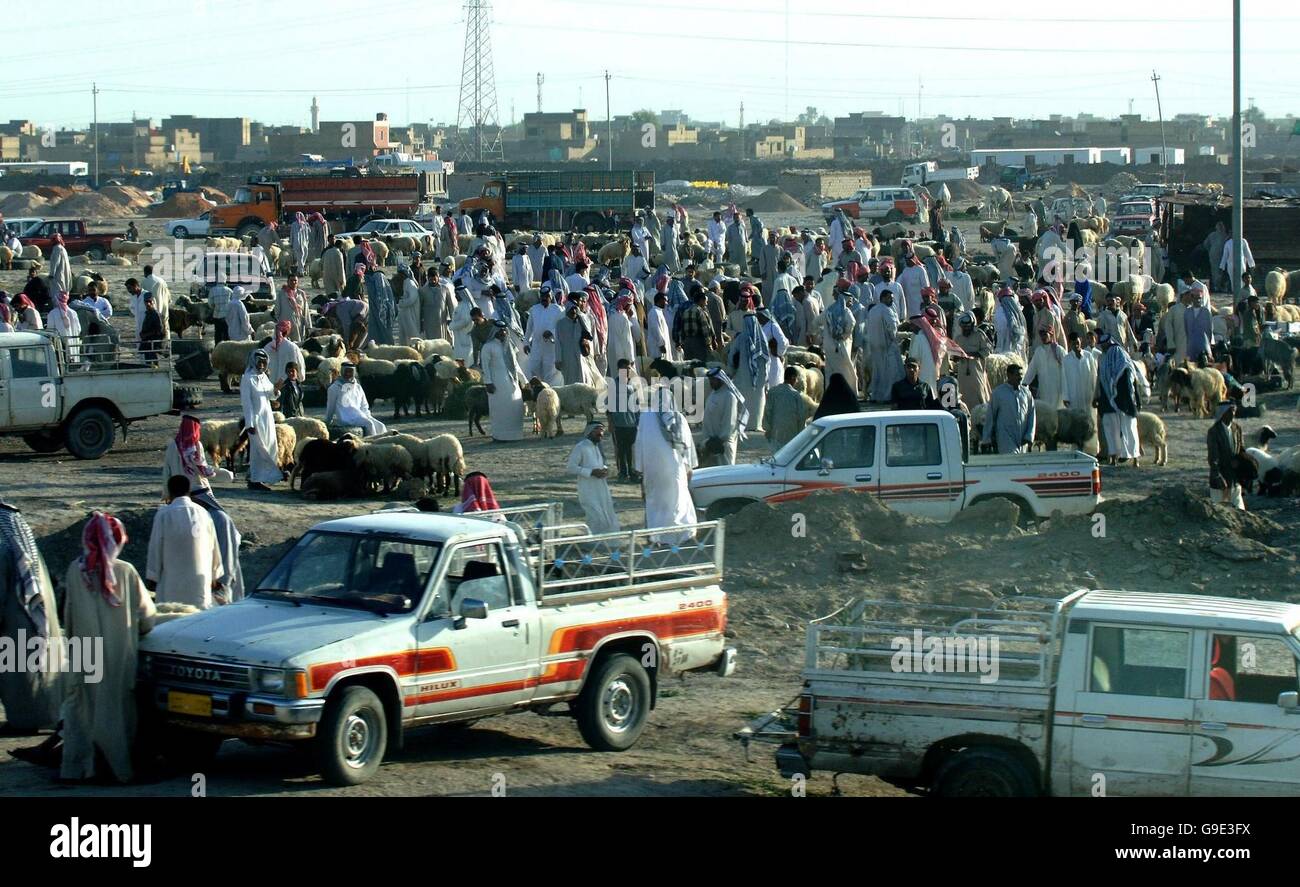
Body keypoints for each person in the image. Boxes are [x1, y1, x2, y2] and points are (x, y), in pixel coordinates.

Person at [56, 512, 155, 784]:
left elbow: (69, 615)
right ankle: (119, 768)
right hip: (117, 654)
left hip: (86, 652)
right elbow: (147, 615)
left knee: (84, 708)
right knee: (118, 709)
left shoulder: (76, 571)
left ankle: (78, 768)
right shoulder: (125, 571)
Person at [161, 415, 243, 602]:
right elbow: (203, 469)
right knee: (224, 521)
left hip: (177, 494)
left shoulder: (173, 446)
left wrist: (167, 495)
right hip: (200, 493)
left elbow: (166, 472)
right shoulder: (194, 445)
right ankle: (224, 582)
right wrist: (225, 474)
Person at [0, 498, 62, 734]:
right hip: (34, 611)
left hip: (17, 619)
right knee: (39, 670)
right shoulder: (18, 538)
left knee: (20, 676)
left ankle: (25, 724)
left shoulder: (4, 546)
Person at [147, 475, 224, 609]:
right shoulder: (203, 513)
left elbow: (155, 547)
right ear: (189, 491)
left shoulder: (164, 514)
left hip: (172, 585)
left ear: (169, 492)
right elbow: (213, 546)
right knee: (198, 619)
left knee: (172, 618)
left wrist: (152, 577)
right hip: (200, 582)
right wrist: (215, 575)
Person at [635, 385, 698, 544]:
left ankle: (657, 537)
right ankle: (680, 536)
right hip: (676, 470)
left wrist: (639, 468)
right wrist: (689, 467)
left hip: (653, 470)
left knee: (655, 502)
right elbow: (687, 446)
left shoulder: (646, 416)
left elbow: (639, 443)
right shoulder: (679, 418)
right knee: (678, 501)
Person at [1095, 335, 1142, 467]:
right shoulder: (1103, 358)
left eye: (1105, 345)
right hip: (1107, 398)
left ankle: (1134, 457)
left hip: (1124, 398)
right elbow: (1101, 379)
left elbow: (1130, 380)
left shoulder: (1120, 355)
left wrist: (1131, 398)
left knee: (1129, 427)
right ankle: (1114, 457)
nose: (1103, 347)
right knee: (1111, 429)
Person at [567, 421, 621, 534]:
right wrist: (590, 472)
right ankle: (593, 541)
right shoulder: (580, 447)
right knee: (594, 514)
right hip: (587, 487)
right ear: (590, 432)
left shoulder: (597, 447)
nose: (601, 435)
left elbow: (601, 463)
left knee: (607, 512)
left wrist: (604, 469)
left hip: (601, 486)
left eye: (602, 433)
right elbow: (571, 467)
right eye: (598, 432)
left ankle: (606, 540)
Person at [240, 349, 282, 489]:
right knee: (259, 450)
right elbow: (247, 403)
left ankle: (265, 476)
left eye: (264, 363)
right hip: (256, 420)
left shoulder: (263, 377)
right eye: (260, 362)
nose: (262, 365)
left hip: (267, 418)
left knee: (270, 446)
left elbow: (271, 395)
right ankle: (255, 479)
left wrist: (276, 390)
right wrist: (250, 423)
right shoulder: (247, 378)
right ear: (254, 361)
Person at [480, 320, 526, 442]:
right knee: (500, 409)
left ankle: (516, 434)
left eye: (504, 330)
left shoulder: (509, 346)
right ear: (494, 331)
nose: (503, 332)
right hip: (497, 383)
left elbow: (515, 365)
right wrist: (488, 382)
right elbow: (485, 366)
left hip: (512, 384)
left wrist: (524, 381)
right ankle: (499, 435)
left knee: (515, 407)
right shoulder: (488, 347)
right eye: (500, 330)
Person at [727, 313, 769, 432]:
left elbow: (731, 356)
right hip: (759, 378)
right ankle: (756, 424)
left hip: (743, 376)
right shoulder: (762, 339)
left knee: (744, 399)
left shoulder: (740, 338)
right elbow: (767, 360)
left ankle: (744, 423)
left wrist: (731, 372)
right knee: (757, 399)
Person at [983, 362, 1035, 454]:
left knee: (1021, 463)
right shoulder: (998, 393)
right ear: (1009, 375)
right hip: (1005, 436)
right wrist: (987, 438)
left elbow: (1032, 415)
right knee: (1010, 461)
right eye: (1017, 375)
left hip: (1022, 438)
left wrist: (1029, 436)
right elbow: (990, 416)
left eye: (1021, 375)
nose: (1020, 377)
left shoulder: (1027, 393)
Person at [325, 361, 387, 436]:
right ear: (342, 371)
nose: (348, 374)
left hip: (360, 415)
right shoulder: (334, 388)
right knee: (369, 424)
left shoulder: (358, 387)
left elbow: (364, 405)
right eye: (346, 371)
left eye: (350, 371)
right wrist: (327, 422)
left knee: (381, 426)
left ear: (354, 372)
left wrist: (368, 416)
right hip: (346, 418)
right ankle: (370, 444)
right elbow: (330, 407)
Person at [865, 289, 905, 403]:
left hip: (875, 347)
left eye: (892, 299)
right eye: (889, 298)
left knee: (878, 372)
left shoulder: (872, 311)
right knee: (892, 373)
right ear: (883, 298)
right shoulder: (887, 310)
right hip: (887, 346)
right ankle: (889, 396)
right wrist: (897, 338)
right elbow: (892, 329)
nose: (892, 300)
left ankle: (876, 396)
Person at [764, 366, 817, 451]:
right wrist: (801, 435)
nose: (796, 382)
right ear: (793, 378)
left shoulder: (772, 392)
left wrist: (767, 429)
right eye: (796, 379)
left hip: (775, 434)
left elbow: (767, 411)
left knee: (776, 458)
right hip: (791, 436)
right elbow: (801, 417)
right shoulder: (795, 395)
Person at [700, 368, 745, 466]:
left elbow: (729, 423)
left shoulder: (729, 397)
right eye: (710, 380)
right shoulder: (712, 395)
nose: (711, 382)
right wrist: (707, 441)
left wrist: (719, 440)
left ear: (720, 379)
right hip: (710, 444)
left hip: (722, 446)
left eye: (713, 380)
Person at [607, 359, 642, 482]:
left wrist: (639, 422)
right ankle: (622, 472)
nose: (627, 371)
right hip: (619, 424)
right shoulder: (613, 385)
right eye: (624, 368)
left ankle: (632, 473)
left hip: (632, 424)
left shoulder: (632, 385)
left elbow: (637, 406)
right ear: (619, 370)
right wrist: (610, 423)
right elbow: (609, 407)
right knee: (621, 450)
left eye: (628, 368)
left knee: (631, 450)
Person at [1208, 401, 1246, 510]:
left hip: (1235, 479)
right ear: (1223, 413)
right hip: (1220, 482)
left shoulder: (1237, 429)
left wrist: (1239, 462)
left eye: (1234, 411)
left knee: (1240, 512)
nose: (1233, 414)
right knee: (1220, 513)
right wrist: (1218, 477)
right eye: (1231, 411)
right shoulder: (1214, 432)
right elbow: (1213, 458)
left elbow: (1242, 450)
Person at [951, 311, 992, 408]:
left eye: (968, 327)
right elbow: (954, 356)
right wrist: (958, 356)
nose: (965, 329)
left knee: (979, 393)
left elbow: (987, 351)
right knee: (962, 394)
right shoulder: (958, 338)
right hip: (962, 372)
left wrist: (972, 354)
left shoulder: (979, 335)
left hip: (976, 371)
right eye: (963, 327)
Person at [1024, 326, 1067, 410]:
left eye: (1045, 335)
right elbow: (1032, 369)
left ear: (1051, 335)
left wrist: (1066, 393)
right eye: (1041, 335)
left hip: (1057, 389)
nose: (1043, 337)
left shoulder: (1059, 350)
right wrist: (1024, 383)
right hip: (1044, 389)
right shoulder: (1039, 351)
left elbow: (1067, 370)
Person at [678, 290, 716, 362]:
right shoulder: (700, 311)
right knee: (700, 364)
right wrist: (709, 344)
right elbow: (705, 329)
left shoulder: (686, 311)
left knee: (689, 365)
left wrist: (682, 342)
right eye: (705, 301)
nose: (706, 304)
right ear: (701, 300)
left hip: (687, 342)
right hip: (698, 342)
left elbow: (682, 328)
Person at [266, 319, 305, 385]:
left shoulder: (268, 347)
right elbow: (298, 365)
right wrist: (301, 377)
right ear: (288, 331)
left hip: (269, 385)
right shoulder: (292, 347)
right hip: (287, 386)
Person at [47, 292, 82, 364]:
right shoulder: (73, 313)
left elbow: (50, 330)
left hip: (60, 345)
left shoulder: (52, 313)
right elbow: (79, 329)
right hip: (73, 343)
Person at [994, 286, 1027, 359]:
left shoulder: (999, 312)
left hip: (1003, 349)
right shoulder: (1019, 314)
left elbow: (998, 330)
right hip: (1016, 349)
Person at [275, 273, 310, 342]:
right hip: (284, 325)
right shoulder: (281, 293)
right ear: (288, 281)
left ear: (298, 282)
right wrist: (279, 321)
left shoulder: (301, 293)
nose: (293, 282)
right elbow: (277, 309)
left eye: (295, 280)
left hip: (298, 324)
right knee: (284, 343)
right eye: (291, 280)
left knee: (298, 344)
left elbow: (306, 310)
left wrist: (308, 326)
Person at [208, 273, 233, 345]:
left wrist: (215, 308)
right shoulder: (229, 290)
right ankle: (227, 348)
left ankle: (217, 349)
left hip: (217, 316)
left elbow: (210, 304)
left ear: (216, 280)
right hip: (227, 316)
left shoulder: (213, 290)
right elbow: (232, 303)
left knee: (218, 333)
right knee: (226, 333)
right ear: (225, 280)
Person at [139, 292, 164, 362]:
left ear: (153, 302)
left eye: (150, 302)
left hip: (153, 344)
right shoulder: (148, 313)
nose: (148, 304)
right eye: (146, 302)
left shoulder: (155, 314)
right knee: (149, 363)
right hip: (147, 344)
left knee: (153, 364)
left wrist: (146, 334)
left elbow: (160, 330)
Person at [48, 233, 71, 299]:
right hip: (64, 273)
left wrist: (51, 274)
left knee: (57, 295)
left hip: (58, 275)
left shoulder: (57, 248)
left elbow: (55, 262)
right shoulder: (62, 248)